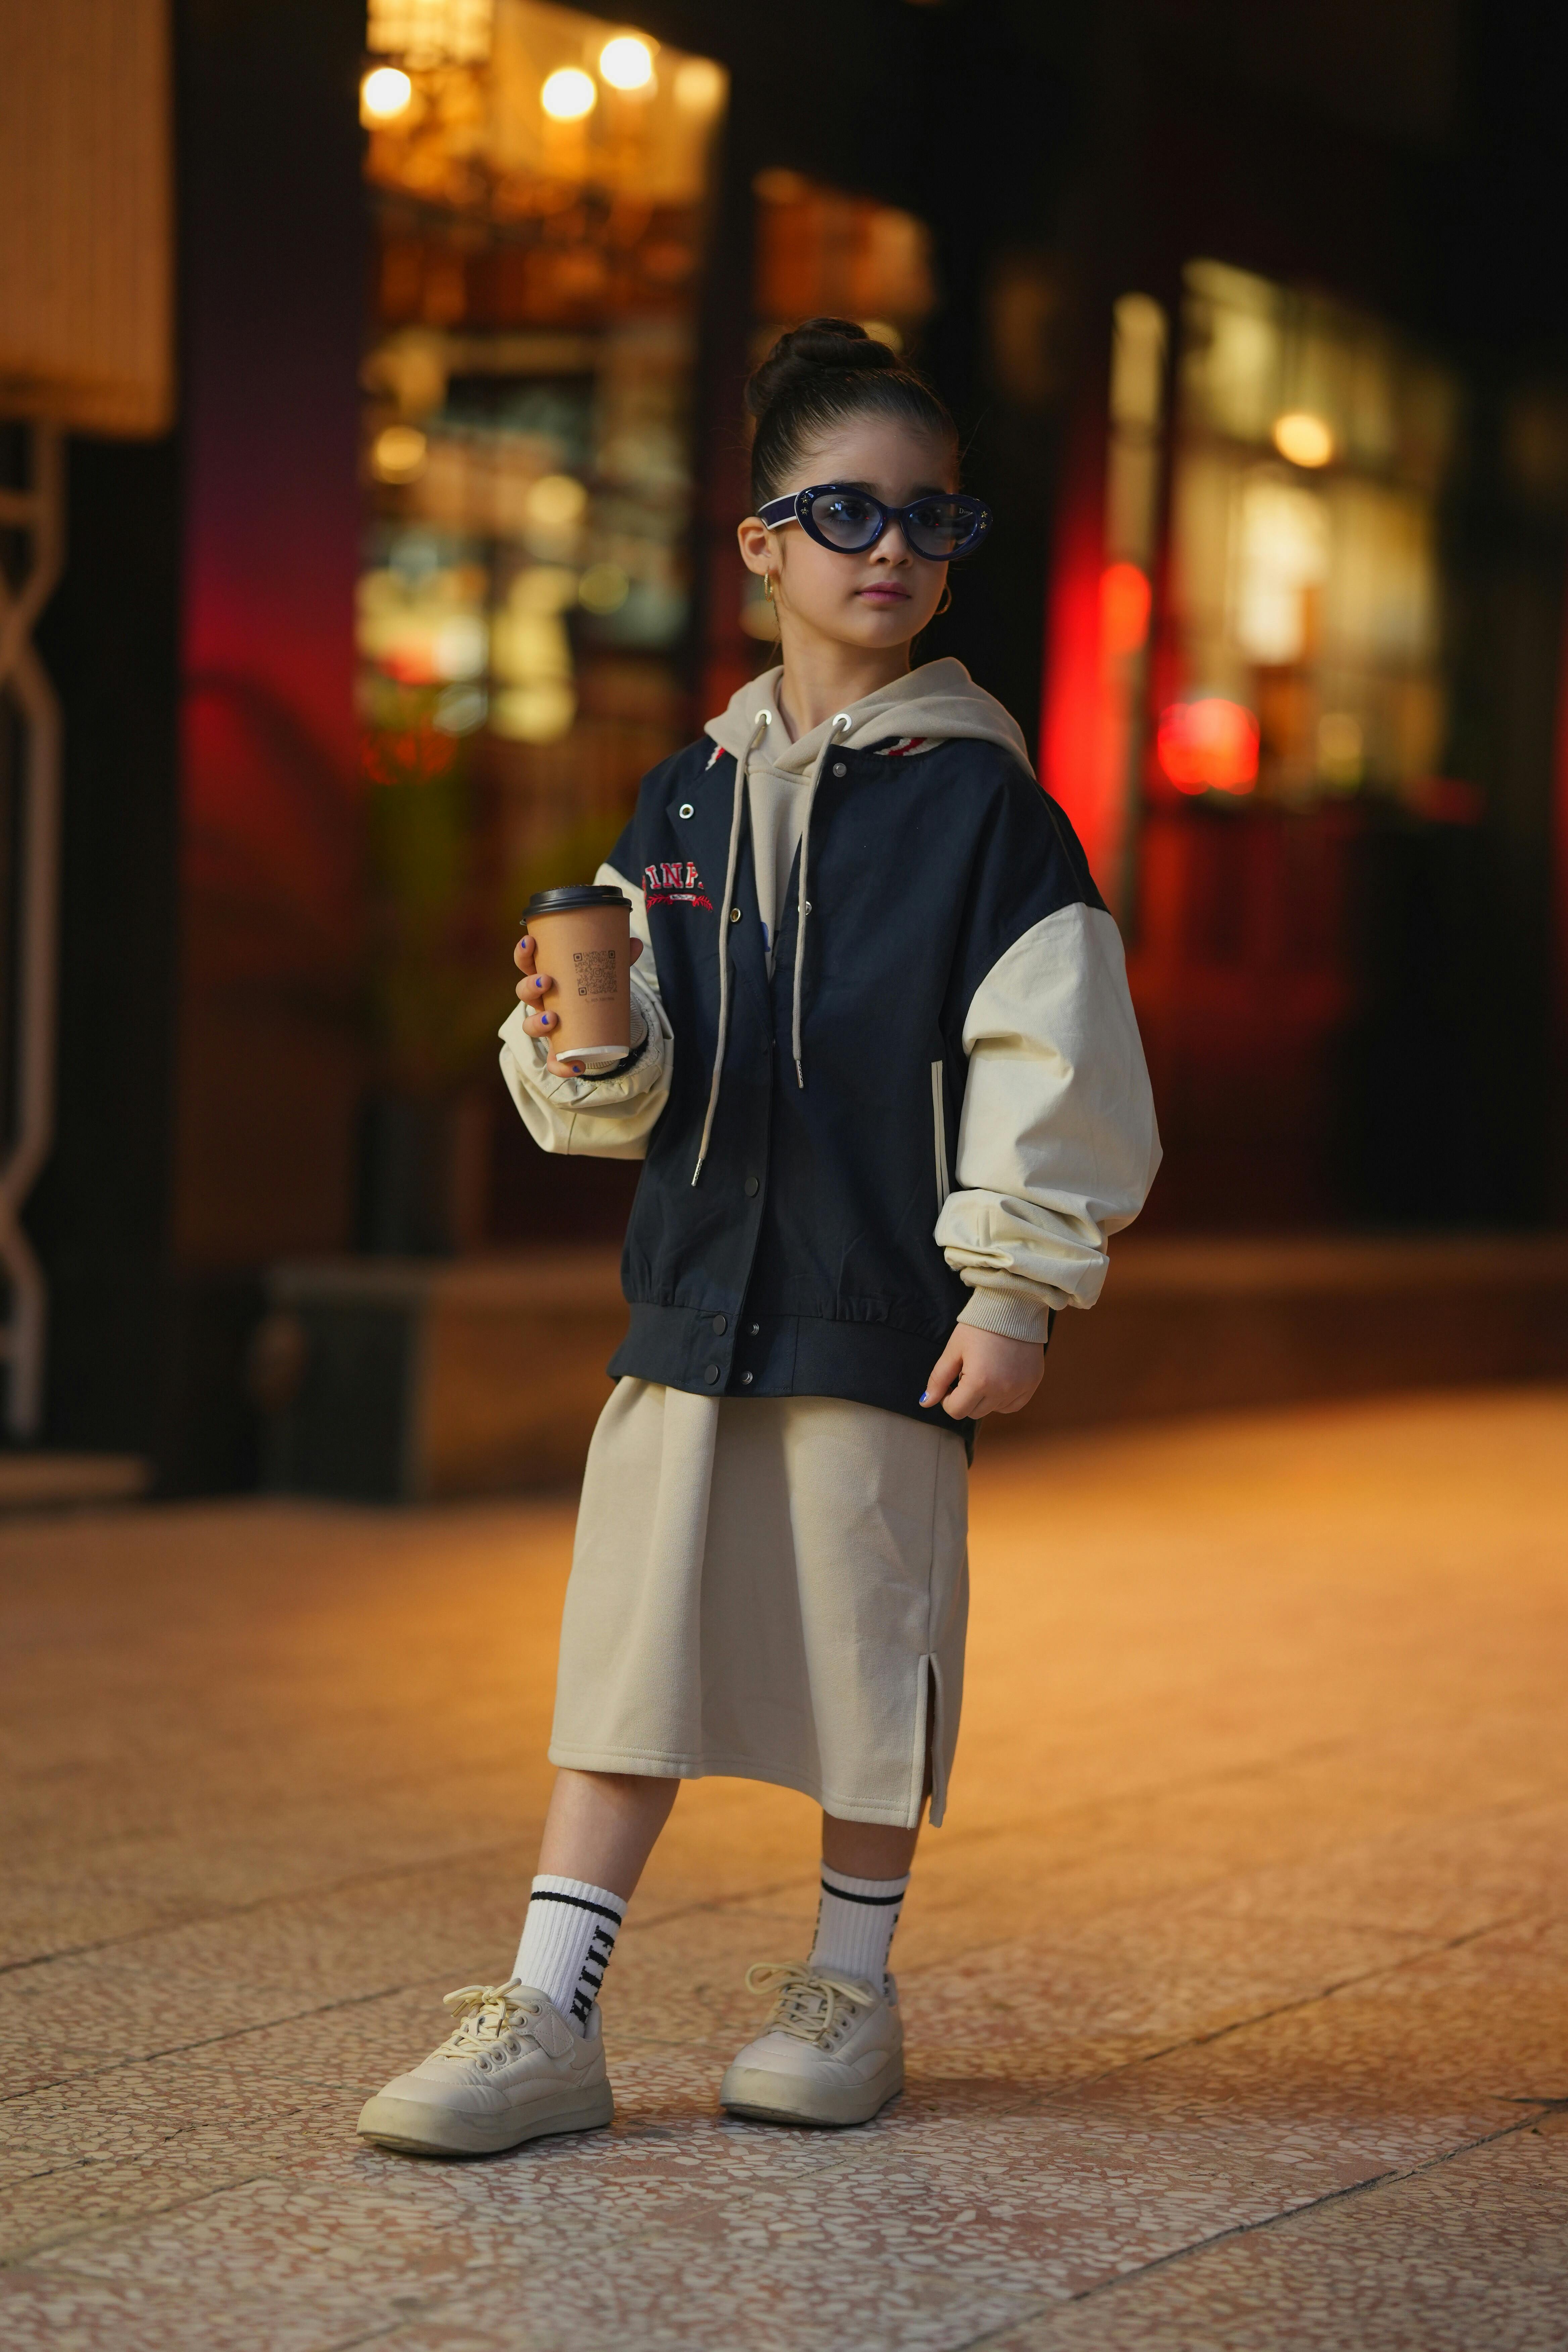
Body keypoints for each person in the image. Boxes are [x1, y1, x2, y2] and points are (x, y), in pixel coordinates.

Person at [357, 319, 1160, 2158]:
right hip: (692, 1299)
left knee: (865, 1653)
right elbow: (620, 1078)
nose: (893, 550)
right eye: (846, 512)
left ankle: (845, 1989)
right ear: (761, 545)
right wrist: (592, 1040)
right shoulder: (684, 800)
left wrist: (1017, 1282)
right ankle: (550, 2013)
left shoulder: (989, 812)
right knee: (625, 1661)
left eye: (931, 519)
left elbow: (1061, 1051)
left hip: (880, 1305)